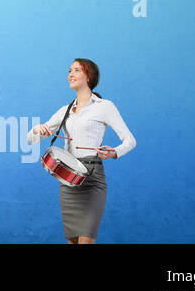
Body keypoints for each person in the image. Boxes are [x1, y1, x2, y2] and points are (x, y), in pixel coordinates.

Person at [28, 58, 135, 244]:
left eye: (76, 70)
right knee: (73, 241)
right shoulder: (65, 110)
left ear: (89, 76)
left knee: (86, 240)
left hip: (92, 178)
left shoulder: (104, 106)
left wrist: (114, 152)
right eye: (69, 70)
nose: (70, 74)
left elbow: (130, 140)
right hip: (68, 180)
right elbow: (31, 138)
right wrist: (37, 129)